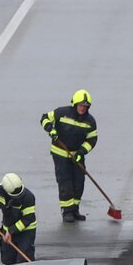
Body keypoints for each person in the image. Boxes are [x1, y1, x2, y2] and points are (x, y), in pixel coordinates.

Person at [41, 89, 98, 221]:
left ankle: (75, 209)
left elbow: (92, 140)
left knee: (79, 182)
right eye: (80, 105)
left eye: (85, 106)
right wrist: (51, 129)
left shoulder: (90, 121)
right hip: (60, 154)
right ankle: (67, 212)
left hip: (76, 155)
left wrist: (81, 152)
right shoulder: (61, 113)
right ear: (75, 104)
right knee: (65, 182)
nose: (83, 108)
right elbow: (44, 118)